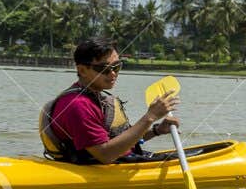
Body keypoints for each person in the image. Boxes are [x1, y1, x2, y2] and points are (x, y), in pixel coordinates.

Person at [40, 38, 179, 165]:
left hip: (124, 158)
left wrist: (156, 130)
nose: (113, 74)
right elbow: (105, 155)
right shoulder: (79, 106)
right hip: (102, 166)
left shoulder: (93, 96)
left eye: (117, 66)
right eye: (104, 69)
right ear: (82, 70)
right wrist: (150, 117)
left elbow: (119, 139)